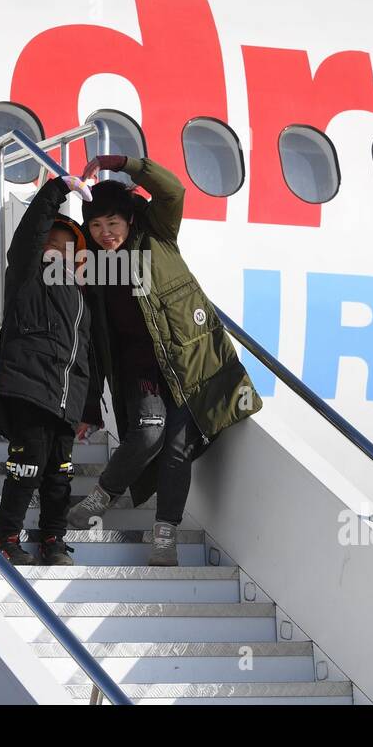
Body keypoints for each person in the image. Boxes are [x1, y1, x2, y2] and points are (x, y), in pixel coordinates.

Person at [67, 152, 262, 566]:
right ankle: (101, 496)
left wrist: (124, 163)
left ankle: (164, 536)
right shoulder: (92, 268)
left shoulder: (157, 235)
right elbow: (94, 343)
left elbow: (172, 191)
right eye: (96, 226)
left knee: (176, 449)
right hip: (140, 372)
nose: (105, 234)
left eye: (113, 224)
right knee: (148, 436)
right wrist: (89, 406)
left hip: (189, 363)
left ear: (129, 221)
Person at [0, 170, 97, 566]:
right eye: (50, 242)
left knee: (59, 475)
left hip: (66, 400)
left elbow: (86, 357)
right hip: (29, 389)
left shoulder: (82, 300)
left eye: (65, 247)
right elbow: (26, 240)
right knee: (27, 464)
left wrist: (89, 409)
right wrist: (57, 189)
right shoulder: (26, 275)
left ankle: (53, 538)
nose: (56, 249)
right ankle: (7, 537)